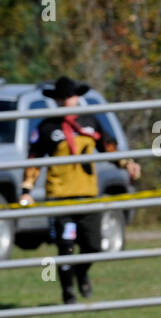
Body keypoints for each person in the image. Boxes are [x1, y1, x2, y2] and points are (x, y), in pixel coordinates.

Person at [19, 76, 141, 304]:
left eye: (70, 96)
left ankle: (82, 272)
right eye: (62, 97)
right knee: (65, 248)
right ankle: (68, 294)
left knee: (93, 246)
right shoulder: (47, 127)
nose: (67, 101)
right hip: (59, 196)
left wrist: (127, 163)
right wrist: (26, 189)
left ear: (77, 97)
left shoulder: (90, 122)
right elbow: (33, 161)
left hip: (87, 194)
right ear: (55, 100)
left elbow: (109, 149)